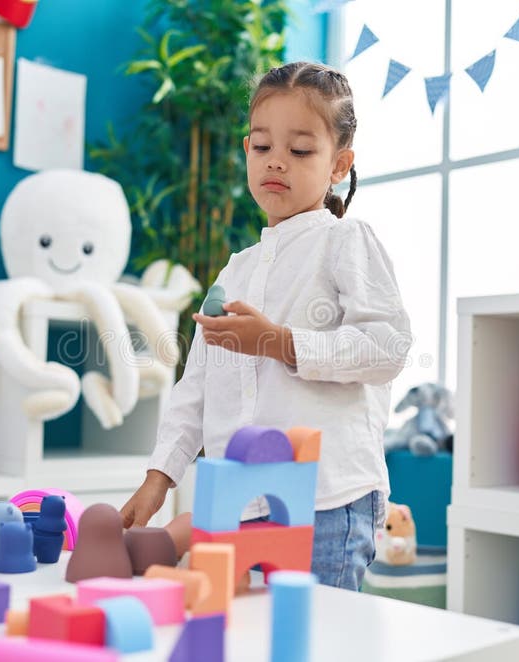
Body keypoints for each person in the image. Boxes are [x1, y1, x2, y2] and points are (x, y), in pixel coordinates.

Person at [120, 61, 412, 591]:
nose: (276, 161)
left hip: (327, 502)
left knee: (317, 640)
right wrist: (158, 477)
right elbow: (199, 387)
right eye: (261, 146)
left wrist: (279, 343)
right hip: (243, 503)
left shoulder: (347, 243)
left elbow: (387, 348)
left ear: (338, 165)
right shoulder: (237, 270)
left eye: (300, 150)